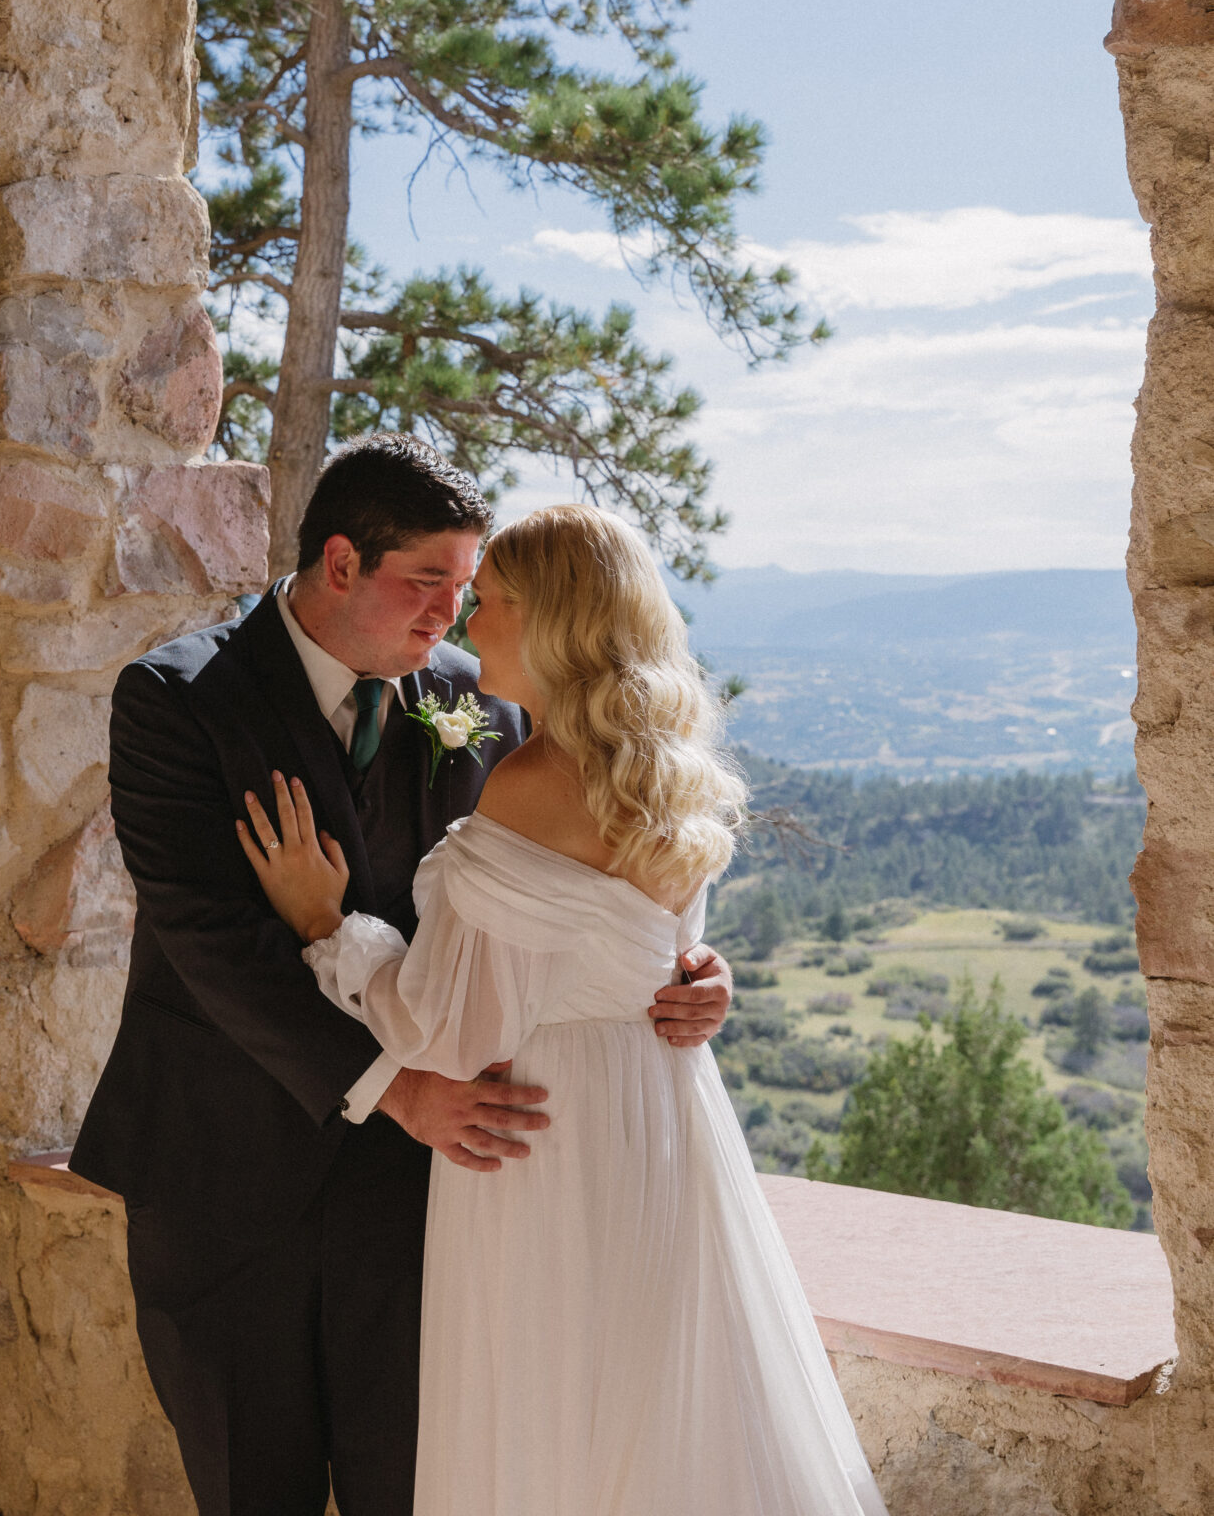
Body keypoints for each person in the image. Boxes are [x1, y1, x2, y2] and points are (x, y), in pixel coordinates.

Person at [69, 436, 732, 1516]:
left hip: (429, 1201)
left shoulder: (469, 701)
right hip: (230, 1179)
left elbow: (569, 887)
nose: (452, 621)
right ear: (341, 564)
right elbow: (211, 940)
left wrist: (688, 966)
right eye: (429, 585)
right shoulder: (180, 698)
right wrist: (398, 1085)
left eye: (469, 591)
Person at [239, 503, 890, 1516]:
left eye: (488, 601)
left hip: (540, 1135)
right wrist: (702, 982)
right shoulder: (667, 776)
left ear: (549, 622)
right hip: (662, 1125)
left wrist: (333, 929)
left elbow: (444, 1030)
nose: (466, 625)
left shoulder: (529, 783)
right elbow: (667, 964)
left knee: (545, 1416)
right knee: (661, 1404)